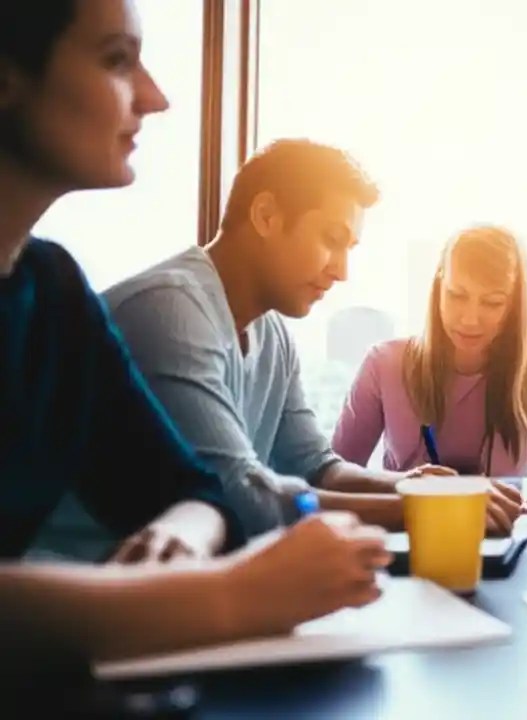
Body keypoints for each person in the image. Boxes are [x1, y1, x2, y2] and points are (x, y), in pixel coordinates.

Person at [0, 0, 387, 671]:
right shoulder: (166, 306)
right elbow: (239, 492)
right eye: (116, 59)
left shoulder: (53, 286)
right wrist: (227, 596)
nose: (156, 96)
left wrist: (181, 531)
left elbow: (200, 493)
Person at [76, 140, 523, 543]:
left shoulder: (273, 337)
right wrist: (427, 510)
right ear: (266, 215)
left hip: (166, 589)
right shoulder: (169, 309)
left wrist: (423, 486)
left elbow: (318, 469)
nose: (342, 270)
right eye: (332, 239)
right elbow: (238, 494)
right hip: (77, 590)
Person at [332, 225, 527, 529]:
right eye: (457, 295)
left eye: (492, 303)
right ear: (438, 289)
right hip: (411, 539)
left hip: (504, 541)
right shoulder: (383, 364)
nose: (470, 319)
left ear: (514, 306)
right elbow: (332, 476)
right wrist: (404, 484)